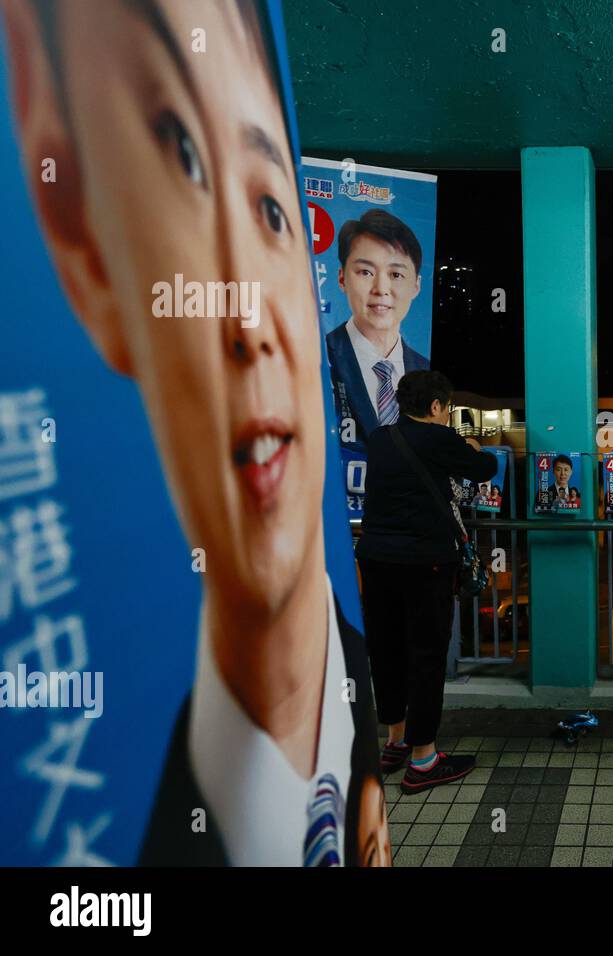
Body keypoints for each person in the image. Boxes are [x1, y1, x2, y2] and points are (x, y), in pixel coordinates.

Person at [5, 0, 389, 865]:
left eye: (271, 210)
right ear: (79, 239)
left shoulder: (358, 700)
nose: (250, 319)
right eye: (181, 152)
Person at [356, 370, 497, 792]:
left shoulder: (380, 439)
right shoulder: (439, 438)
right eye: (447, 407)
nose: (446, 413)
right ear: (436, 407)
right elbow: (485, 469)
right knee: (426, 655)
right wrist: (472, 444)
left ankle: (395, 741)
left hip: (376, 561)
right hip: (425, 564)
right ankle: (424, 760)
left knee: (386, 650)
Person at [324, 209, 430, 452]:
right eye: (365, 272)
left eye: (396, 274)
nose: (381, 288)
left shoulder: (424, 370)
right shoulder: (318, 360)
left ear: (416, 286)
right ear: (341, 279)